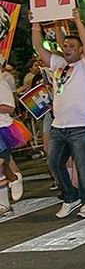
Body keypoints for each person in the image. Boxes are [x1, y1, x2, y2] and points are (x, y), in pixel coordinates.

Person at [31, 8, 85, 219]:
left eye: (72, 46)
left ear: (80, 51)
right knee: (53, 162)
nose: (67, 48)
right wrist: (35, 25)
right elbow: (38, 47)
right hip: (59, 125)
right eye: (65, 46)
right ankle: (71, 197)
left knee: (82, 164)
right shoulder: (59, 64)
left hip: (81, 125)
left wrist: (77, 20)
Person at [0, 74, 31, 217]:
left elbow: (10, 107)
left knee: (1, 163)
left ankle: (12, 180)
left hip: (2, 128)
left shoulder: (2, 82)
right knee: (4, 164)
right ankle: (12, 179)